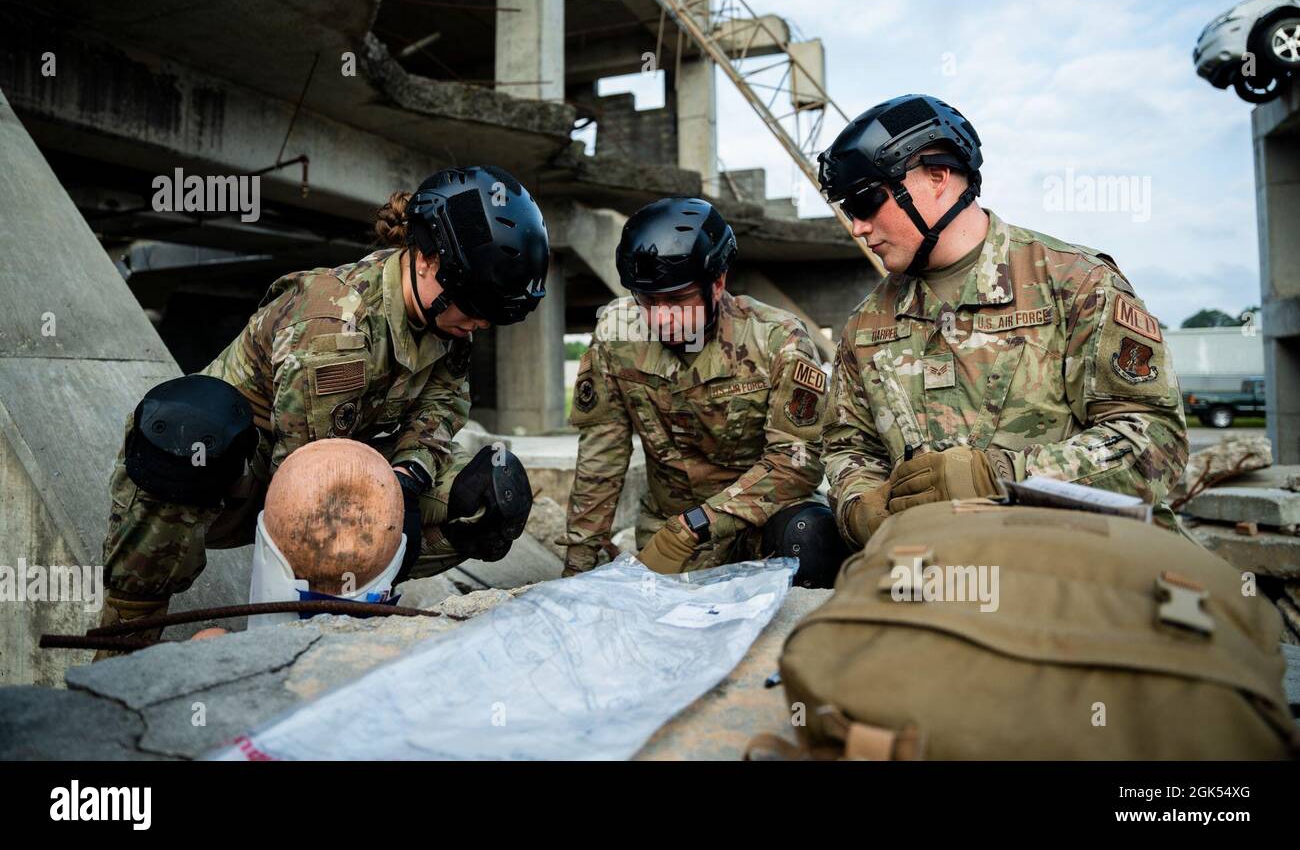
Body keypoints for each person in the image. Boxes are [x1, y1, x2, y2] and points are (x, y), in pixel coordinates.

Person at [98, 166, 548, 648]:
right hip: (241, 482)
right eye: (475, 305)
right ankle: (127, 641)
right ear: (426, 259)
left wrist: (406, 481)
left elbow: (442, 405)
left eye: (489, 315)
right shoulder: (335, 324)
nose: (478, 323)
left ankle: (353, 609)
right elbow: (307, 481)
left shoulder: (450, 317)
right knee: (186, 435)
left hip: (346, 464)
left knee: (489, 495)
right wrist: (384, 508)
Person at [817, 94, 1188, 547]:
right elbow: (849, 446)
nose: (857, 227)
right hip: (938, 569)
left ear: (937, 177)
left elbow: (1154, 441)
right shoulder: (866, 324)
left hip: (1082, 560)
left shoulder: (1075, 283)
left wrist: (1002, 477)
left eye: (866, 201)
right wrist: (860, 506)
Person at [561, 197, 846, 587]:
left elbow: (797, 462)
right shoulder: (617, 333)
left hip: (756, 524)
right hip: (665, 534)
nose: (662, 318)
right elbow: (601, 457)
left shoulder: (775, 338)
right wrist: (577, 568)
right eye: (648, 302)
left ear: (717, 282)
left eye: (678, 301)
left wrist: (698, 524)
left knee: (811, 538)